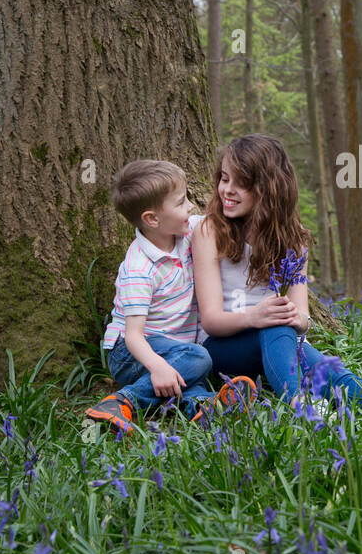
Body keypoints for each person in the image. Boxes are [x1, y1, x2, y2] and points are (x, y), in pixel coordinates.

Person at [191, 134, 362, 411]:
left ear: (269, 188)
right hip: (220, 349)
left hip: (276, 342)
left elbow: (304, 317)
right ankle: (300, 404)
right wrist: (255, 317)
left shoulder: (294, 242)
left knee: (312, 357)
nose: (227, 190)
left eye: (241, 183)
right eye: (224, 178)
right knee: (278, 329)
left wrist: (296, 317)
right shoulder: (209, 231)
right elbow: (210, 321)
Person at [86, 159, 256, 435]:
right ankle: (121, 400)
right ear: (152, 219)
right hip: (132, 353)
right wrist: (157, 366)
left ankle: (204, 409)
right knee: (199, 359)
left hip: (175, 351)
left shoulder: (187, 232)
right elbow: (133, 336)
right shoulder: (139, 268)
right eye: (180, 202)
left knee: (192, 375)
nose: (190, 205)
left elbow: (224, 221)